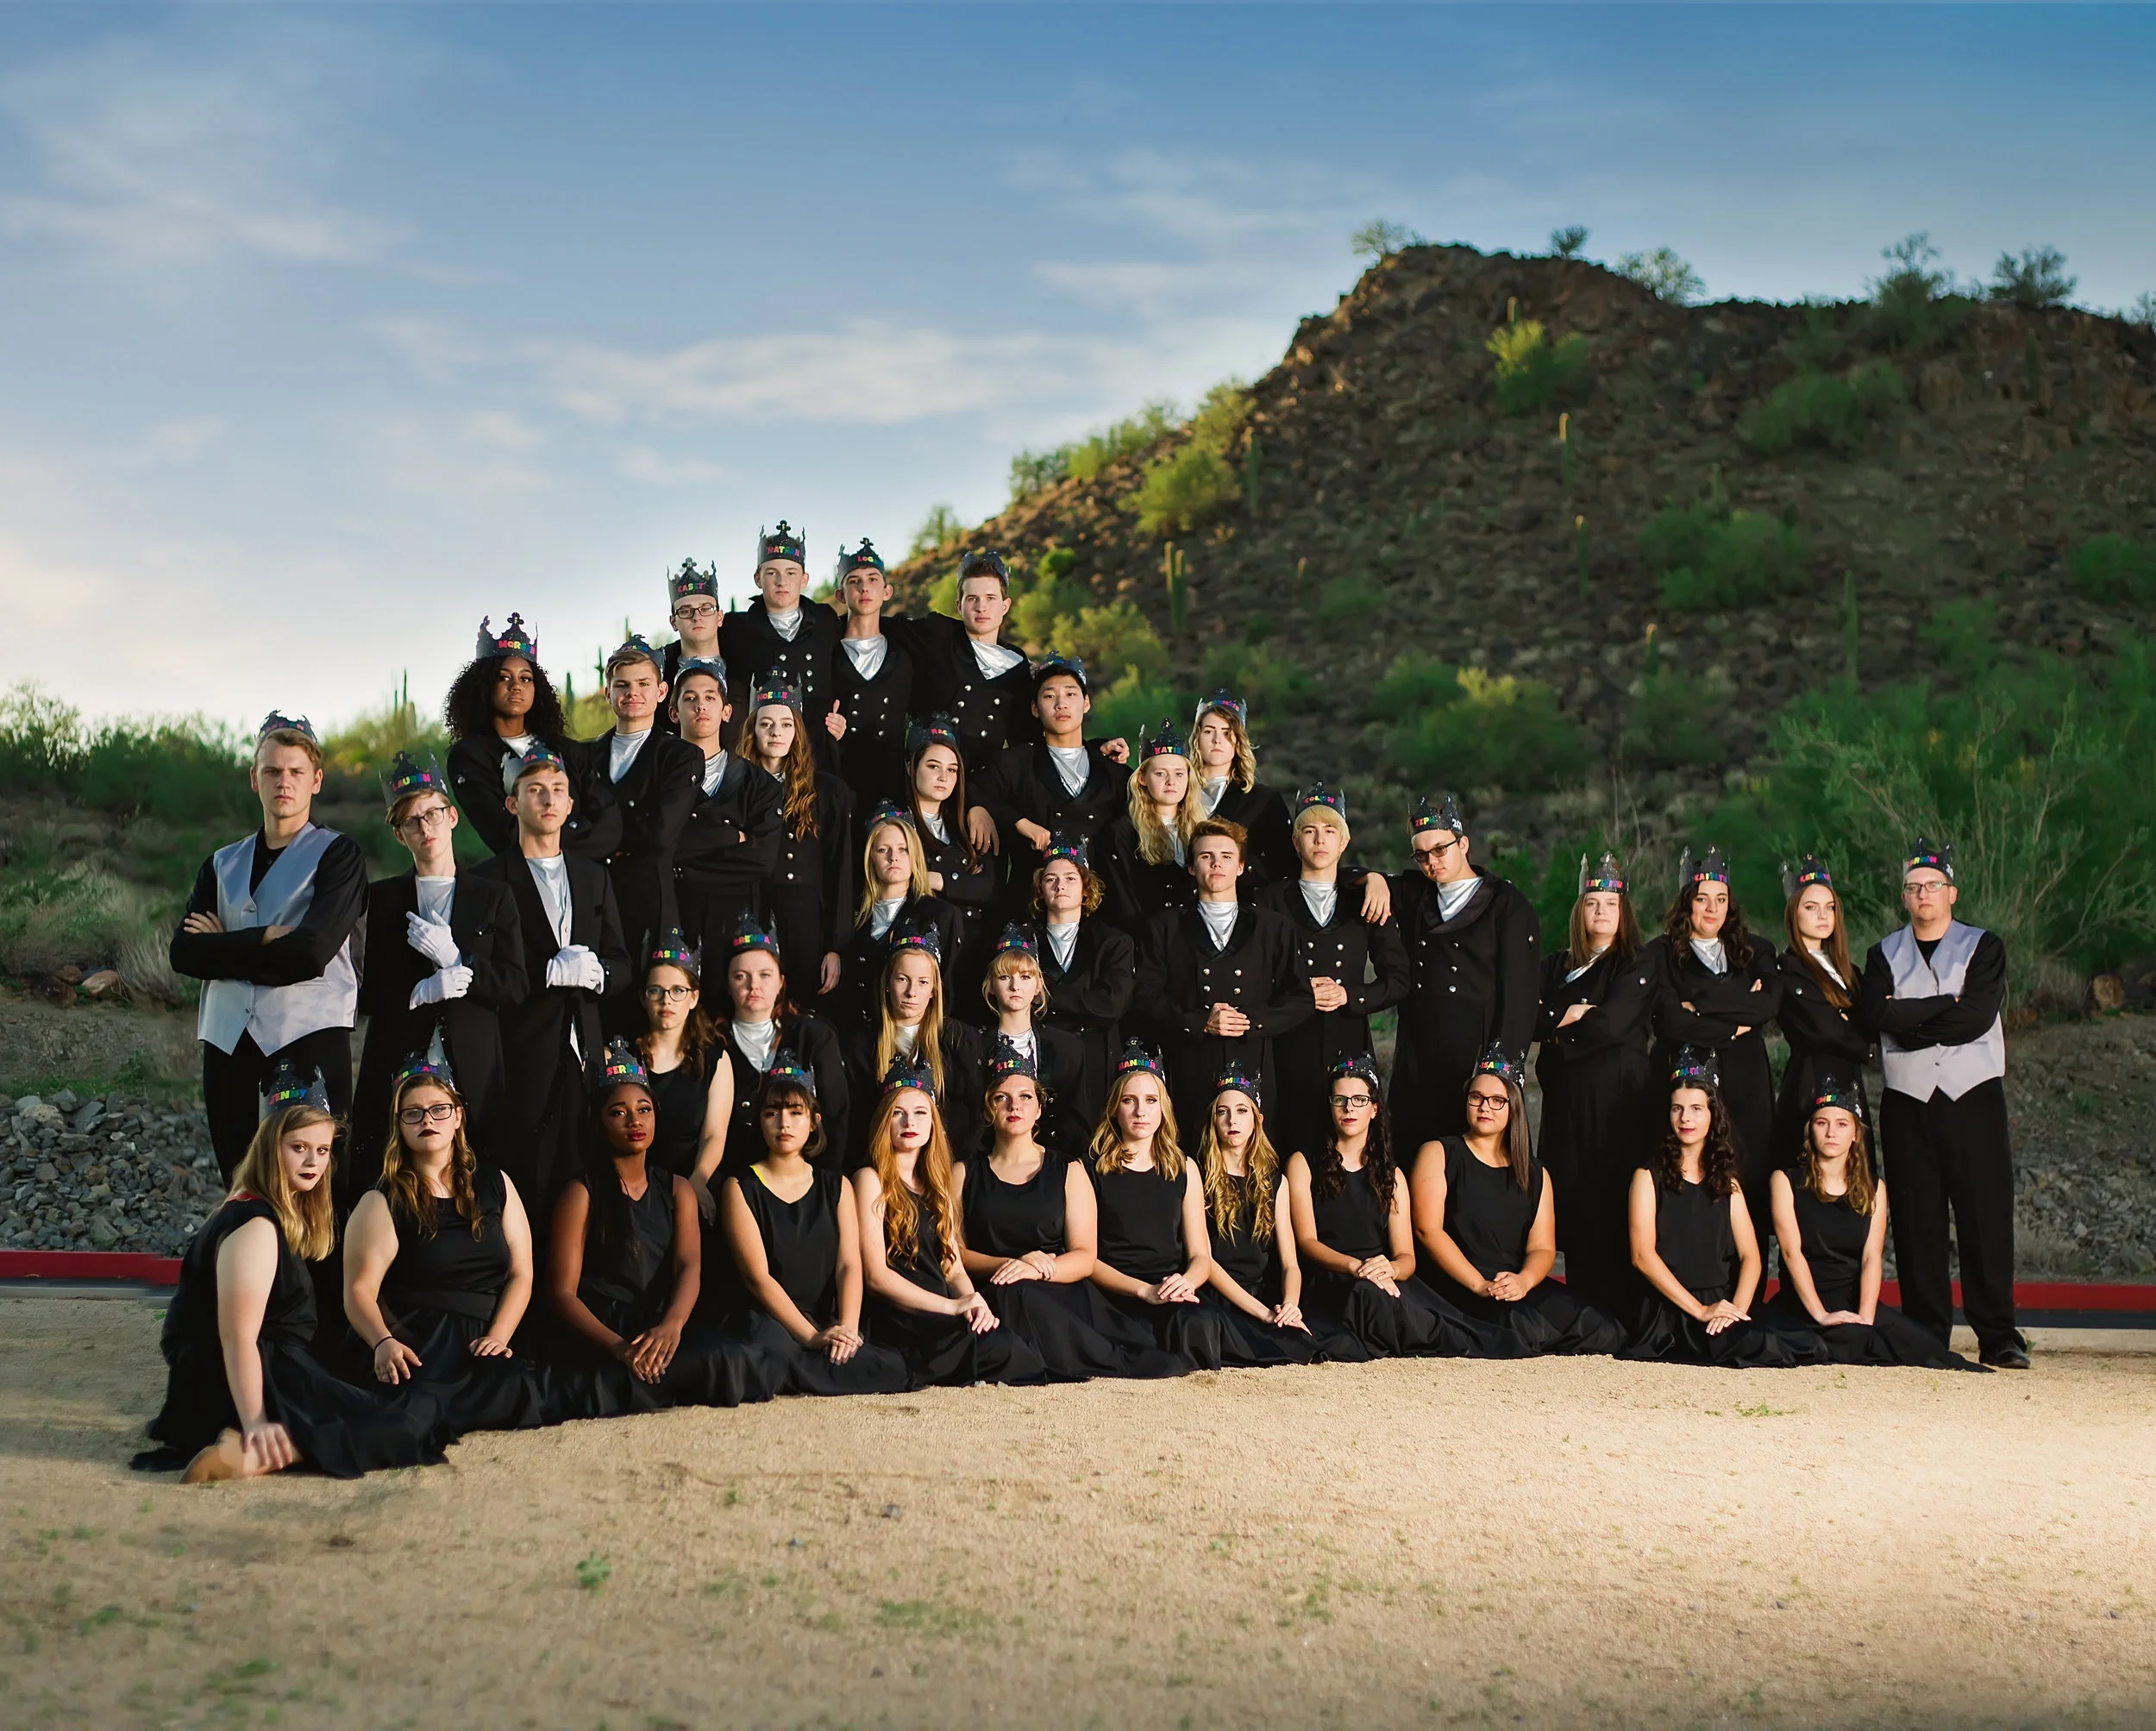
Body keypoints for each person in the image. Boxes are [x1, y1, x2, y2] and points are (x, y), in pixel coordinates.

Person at [133, 1065, 450, 1482]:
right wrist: (257, 1422)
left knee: (394, 1400)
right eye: (298, 1147)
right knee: (408, 1422)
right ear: (270, 1148)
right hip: (247, 1379)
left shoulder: (254, 1210)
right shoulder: (256, 1228)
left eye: (322, 1150)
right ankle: (258, 1453)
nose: (313, 1161)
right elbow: (236, 1338)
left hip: (253, 1369)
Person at [170, 713, 367, 1179]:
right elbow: (184, 955)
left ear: (316, 780)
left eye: (296, 772)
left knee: (314, 1197)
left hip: (307, 1041)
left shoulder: (339, 856)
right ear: (253, 779)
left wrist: (222, 950)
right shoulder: (220, 864)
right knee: (239, 1185)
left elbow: (310, 954)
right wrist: (262, 937)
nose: (284, 782)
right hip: (228, 1049)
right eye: (273, 771)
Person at [1859, 837, 2028, 1369]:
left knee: (1985, 1215)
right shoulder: (1882, 954)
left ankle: (1997, 1333)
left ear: (1951, 892)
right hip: (1908, 1102)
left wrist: (1909, 1018)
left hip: (1973, 1096)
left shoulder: (1984, 946)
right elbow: (1876, 1019)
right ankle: (1927, 1331)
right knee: (1918, 1218)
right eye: (1913, 889)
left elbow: (1976, 1017)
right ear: (1905, 898)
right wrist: (1938, 1010)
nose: (1923, 895)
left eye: (1932, 886)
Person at [546, 1040, 782, 1408]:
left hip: (658, 1322)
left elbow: (689, 1266)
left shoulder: (677, 1188)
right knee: (599, 1384)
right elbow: (563, 1293)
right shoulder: (581, 1193)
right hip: (604, 1328)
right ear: (599, 1122)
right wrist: (620, 1349)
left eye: (643, 1109)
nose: (635, 1121)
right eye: (618, 1113)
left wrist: (672, 1326)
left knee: (731, 1361)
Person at [342, 1056, 571, 1430]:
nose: (427, 1120)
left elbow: (522, 1273)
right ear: (398, 1126)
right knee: (412, 1410)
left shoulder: (496, 1183)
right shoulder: (383, 1199)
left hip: (484, 1336)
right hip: (418, 1340)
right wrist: (383, 1342)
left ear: (458, 1116)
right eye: (412, 1114)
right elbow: (359, 1289)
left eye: (438, 1109)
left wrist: (498, 1337)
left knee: (522, 1391)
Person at [955, 1041, 1189, 1380]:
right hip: (998, 1286)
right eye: (1001, 1098)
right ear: (989, 1109)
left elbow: (1084, 1255)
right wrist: (1014, 1266)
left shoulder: (1069, 1170)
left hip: (1058, 1284)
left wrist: (1039, 1269)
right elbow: (955, 1252)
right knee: (1013, 1292)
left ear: (1039, 1109)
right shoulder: (963, 1173)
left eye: (1025, 1097)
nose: (1014, 1106)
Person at [467, 743, 630, 1217]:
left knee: (590, 1187)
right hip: (521, 1055)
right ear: (512, 803)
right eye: (535, 790)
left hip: (588, 1060)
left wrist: (599, 973)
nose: (548, 799)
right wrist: (542, 975)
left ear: (571, 804)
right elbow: (480, 974)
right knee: (527, 1187)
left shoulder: (593, 876)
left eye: (558, 790)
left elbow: (621, 962)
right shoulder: (488, 880)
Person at [352, 751, 525, 1194]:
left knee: (479, 1182)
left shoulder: (493, 897)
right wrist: (422, 991)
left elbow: (515, 984)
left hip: (474, 1067)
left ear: (452, 817)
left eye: (432, 814)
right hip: (397, 1063)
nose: (424, 827)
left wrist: (459, 963)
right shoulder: (382, 899)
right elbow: (367, 994)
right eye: (412, 821)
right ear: (399, 834)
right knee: (390, 1182)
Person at [1408, 1048, 1627, 1357]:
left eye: (1497, 1100)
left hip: (1513, 1281)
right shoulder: (1439, 1152)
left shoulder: (1535, 1172)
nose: (1485, 1107)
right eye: (1477, 1097)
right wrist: (1478, 1285)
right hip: (1459, 1281)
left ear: (1514, 1107)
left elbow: (1542, 1248)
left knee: (1602, 1328)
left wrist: (1524, 1282)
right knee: (1516, 1329)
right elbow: (1427, 1231)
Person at [1620, 1051, 1827, 1369]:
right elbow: (1642, 1256)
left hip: (1723, 1302)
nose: (1685, 1118)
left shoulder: (1726, 1183)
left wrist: (1736, 1312)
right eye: (1677, 1108)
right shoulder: (1647, 1178)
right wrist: (1701, 1311)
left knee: (1803, 1342)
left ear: (1713, 1115)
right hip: (1672, 1305)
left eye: (1696, 1109)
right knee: (1762, 1348)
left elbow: (1752, 1257)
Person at [718, 1057, 910, 1395]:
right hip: (772, 1318)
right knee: (767, 1357)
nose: (783, 1124)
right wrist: (810, 1336)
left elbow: (849, 1265)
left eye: (795, 1113)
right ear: (759, 1121)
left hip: (826, 1315)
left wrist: (847, 1329)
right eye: (771, 1113)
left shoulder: (836, 1186)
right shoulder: (740, 1187)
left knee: (890, 1367)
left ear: (813, 1121)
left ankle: (823, 1361)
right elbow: (757, 1278)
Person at [851, 1056, 1046, 1388]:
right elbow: (876, 1277)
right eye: (897, 1113)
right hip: (900, 1313)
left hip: (943, 1309)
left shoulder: (938, 1185)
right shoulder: (870, 1179)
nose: (908, 1122)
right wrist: (953, 1307)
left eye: (919, 1113)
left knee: (1015, 1351)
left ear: (932, 1124)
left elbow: (953, 1268)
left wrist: (975, 1303)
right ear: (885, 1122)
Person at [1762, 1078, 1977, 1370]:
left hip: (1853, 1299)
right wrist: (1821, 1314)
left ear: (1855, 1135)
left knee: (1927, 1348)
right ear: (1810, 1130)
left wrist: (1865, 1318)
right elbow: (1791, 1253)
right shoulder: (1785, 1181)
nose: (1831, 1132)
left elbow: (1871, 1258)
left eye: (1841, 1124)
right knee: (1791, 1344)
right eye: (1822, 1123)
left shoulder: (1874, 1188)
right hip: (1803, 1300)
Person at [1532, 851, 1658, 1311]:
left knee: (1614, 1199)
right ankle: (1581, 1308)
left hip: (1618, 1103)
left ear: (1623, 911)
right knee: (1574, 1197)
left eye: (1610, 903)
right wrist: (1565, 1014)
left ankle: (1622, 1309)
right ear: (1579, 909)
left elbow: (1613, 1025)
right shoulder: (1554, 966)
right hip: (1566, 1105)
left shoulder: (1636, 963)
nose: (1601, 911)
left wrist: (1556, 1037)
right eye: (1592, 902)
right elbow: (1525, 1017)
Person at [1384, 792, 1542, 1154]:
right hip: (1417, 1062)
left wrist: (1500, 1074)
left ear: (1463, 843)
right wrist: (1374, 881)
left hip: (1475, 1059)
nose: (1431, 862)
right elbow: (1344, 880)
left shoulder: (1508, 905)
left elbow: (1519, 997)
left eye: (1440, 849)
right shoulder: (1413, 894)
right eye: (1421, 855)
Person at [1256, 785, 1407, 1163]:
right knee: (1290, 1142)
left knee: (1353, 1148)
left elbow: (1398, 979)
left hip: (1348, 1037)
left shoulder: (1368, 899)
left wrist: (1351, 996)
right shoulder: (1269, 900)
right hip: (1287, 1041)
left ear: (1345, 840)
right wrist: (1296, 991)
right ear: (1295, 841)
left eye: (1329, 831)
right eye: (1309, 831)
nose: (1319, 839)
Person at [1135, 817, 1312, 1139]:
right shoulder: (1164, 927)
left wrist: (1251, 1022)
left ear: (1241, 866)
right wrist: (1199, 1021)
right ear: (1191, 867)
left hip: (1254, 1060)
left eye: (1226, 856)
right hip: (1190, 1061)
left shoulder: (1274, 927)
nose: (1216, 864)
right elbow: (1145, 995)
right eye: (1206, 856)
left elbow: (1300, 998)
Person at [1651, 847, 1783, 1259]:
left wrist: (1701, 1004)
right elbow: (1671, 1022)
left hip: (1747, 1085)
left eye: (1721, 899)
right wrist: (1738, 1018)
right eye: (1702, 898)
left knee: (1749, 1175)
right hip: (1686, 1085)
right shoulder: (1660, 953)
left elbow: (1770, 1005)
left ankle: (1748, 1292)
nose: (1712, 908)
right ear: (1686, 900)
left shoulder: (1757, 950)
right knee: (1690, 1177)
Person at [1286, 1056, 1463, 1358]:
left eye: (1359, 1099)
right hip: (1332, 1279)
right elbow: (1307, 1243)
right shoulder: (1302, 1164)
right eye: (1340, 1099)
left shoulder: (1391, 1174)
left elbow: (1407, 1256)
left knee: (1451, 1331)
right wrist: (1355, 1267)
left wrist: (1390, 1269)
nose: (1349, 1108)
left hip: (1381, 1277)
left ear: (1374, 1109)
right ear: (1330, 1106)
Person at [1085, 1043, 1225, 1367]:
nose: (1140, 1111)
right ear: (1114, 1109)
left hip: (1169, 1289)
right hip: (1113, 1292)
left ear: (1163, 1108)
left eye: (1151, 1101)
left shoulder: (1184, 1167)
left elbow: (1201, 1256)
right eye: (1129, 1101)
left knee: (1201, 1325)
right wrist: (1143, 1291)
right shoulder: (1089, 1169)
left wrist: (1186, 1282)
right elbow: (1086, 1258)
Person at [576, 633, 704, 990]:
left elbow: (662, 831)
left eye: (643, 684)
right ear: (608, 693)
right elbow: (567, 828)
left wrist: (597, 835)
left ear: (661, 693)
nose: (632, 692)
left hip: (648, 899)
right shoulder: (584, 757)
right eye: (622, 685)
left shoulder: (680, 756)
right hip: (591, 900)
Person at [443, 613, 620, 861]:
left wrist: (554, 843)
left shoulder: (568, 750)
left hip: (587, 884)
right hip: (522, 886)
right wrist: (581, 839)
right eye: (503, 677)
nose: (516, 686)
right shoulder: (470, 756)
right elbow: (504, 835)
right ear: (483, 686)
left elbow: (610, 826)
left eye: (525, 678)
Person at [741, 680, 855, 1013]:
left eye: (786, 724)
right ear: (753, 730)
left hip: (808, 921)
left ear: (798, 732)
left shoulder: (827, 792)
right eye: (766, 724)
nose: (776, 732)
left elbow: (840, 871)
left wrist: (836, 948)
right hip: (750, 914)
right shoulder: (733, 787)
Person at [1196, 1072, 1322, 1365]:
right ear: (1212, 1120)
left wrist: (1290, 1304)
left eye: (1242, 1111)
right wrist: (1263, 1313)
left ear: (1257, 1120)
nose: (1232, 1121)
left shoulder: (1276, 1182)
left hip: (1261, 1293)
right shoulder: (1197, 1177)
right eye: (1222, 1112)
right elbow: (1206, 1262)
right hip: (1216, 1295)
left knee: (1303, 1344)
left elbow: (1291, 1263)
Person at [711, 914, 850, 1175]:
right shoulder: (712, 1043)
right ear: (728, 985)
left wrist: (825, 1187)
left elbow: (837, 1119)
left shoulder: (815, 1036)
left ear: (780, 982)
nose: (754, 986)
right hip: (735, 1182)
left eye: (765, 975)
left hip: (809, 1180)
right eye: (741, 976)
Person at [971, 653, 1132, 875]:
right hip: (1033, 897)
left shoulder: (1111, 768)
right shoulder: (1015, 763)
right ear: (1035, 708)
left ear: (1086, 703)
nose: (1061, 704)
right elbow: (969, 790)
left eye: (1070, 693)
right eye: (1049, 696)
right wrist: (1016, 821)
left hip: (1102, 898)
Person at [840, 923, 987, 1166]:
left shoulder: (959, 1039)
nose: (911, 992)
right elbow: (855, 1122)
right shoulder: (860, 1044)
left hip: (950, 1165)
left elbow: (975, 1117)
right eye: (902, 979)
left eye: (922, 982)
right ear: (887, 984)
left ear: (933, 991)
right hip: (882, 1167)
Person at [887, 548, 1039, 773]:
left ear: (1005, 606)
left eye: (990, 598)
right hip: (916, 780)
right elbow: (874, 629)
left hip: (977, 792)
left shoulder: (1018, 668)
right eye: (972, 599)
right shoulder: (937, 634)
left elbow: (1027, 745)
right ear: (959, 605)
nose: (981, 607)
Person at [669, 655, 783, 953]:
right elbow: (652, 845)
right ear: (673, 712)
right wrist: (733, 836)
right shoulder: (656, 780)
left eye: (710, 697)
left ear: (727, 711)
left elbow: (761, 860)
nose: (700, 706)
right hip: (673, 920)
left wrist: (680, 862)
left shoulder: (760, 785)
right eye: (690, 698)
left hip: (737, 925)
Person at [1027, 835, 1136, 1136]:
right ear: (1040, 888)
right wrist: (1085, 1003)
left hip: (1095, 1066)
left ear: (1086, 886)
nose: (1060, 885)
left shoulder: (1114, 942)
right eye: (1051, 879)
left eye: (1070, 878)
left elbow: (1111, 1005)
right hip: (1039, 1061)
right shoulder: (1022, 940)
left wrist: (1045, 997)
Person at [718, 523, 848, 767]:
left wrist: (843, 716)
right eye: (771, 573)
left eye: (791, 573)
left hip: (818, 752)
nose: (781, 581)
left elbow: (845, 668)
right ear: (758, 578)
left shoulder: (826, 621)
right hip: (761, 756)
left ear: (804, 579)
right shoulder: (736, 628)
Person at [1774, 856, 1871, 1168]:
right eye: (1811, 907)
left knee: (1854, 1171)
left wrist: (1851, 1027)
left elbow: (1869, 1022)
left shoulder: (1849, 970)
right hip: (1810, 1079)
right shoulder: (1786, 968)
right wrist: (1860, 1044)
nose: (1822, 916)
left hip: (1849, 1078)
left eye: (1829, 907)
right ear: (1794, 912)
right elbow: (1822, 1029)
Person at [634, 931, 732, 1215]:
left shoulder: (716, 1059)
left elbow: (714, 1134)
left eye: (678, 991)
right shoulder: (621, 1056)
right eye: (656, 991)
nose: (667, 1000)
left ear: (693, 998)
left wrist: (696, 1184)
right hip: (632, 1187)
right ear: (644, 998)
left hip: (691, 1182)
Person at [903, 715, 999, 997]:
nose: (944, 777)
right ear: (911, 766)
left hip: (975, 951)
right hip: (923, 957)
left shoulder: (969, 824)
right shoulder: (897, 822)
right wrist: (964, 883)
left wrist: (939, 880)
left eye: (952, 769)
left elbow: (990, 887)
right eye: (933, 766)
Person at [839, 806, 958, 1027]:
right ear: (870, 857)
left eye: (903, 849)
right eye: (883, 850)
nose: (894, 857)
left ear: (915, 856)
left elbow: (946, 993)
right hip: (857, 1039)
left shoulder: (941, 914)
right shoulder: (851, 916)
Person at [976, 925, 1088, 1151]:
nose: (1015, 986)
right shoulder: (972, 1046)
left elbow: (1077, 1123)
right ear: (990, 987)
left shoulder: (1068, 1048)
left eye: (1025, 977)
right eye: (1005, 976)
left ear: (1038, 986)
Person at [828, 539, 918, 812]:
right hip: (838, 784)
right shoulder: (824, 652)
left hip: (892, 786)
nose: (864, 587)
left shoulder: (907, 652)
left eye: (872, 579)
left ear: (886, 591)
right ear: (841, 594)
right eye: (853, 580)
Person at [1096, 719, 1200, 937]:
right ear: (1142, 778)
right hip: (1146, 942)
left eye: (1179, 773)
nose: (1171, 781)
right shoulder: (1122, 833)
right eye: (1160, 773)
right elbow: (1122, 903)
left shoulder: (1204, 830)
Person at [1189, 690, 1293, 888]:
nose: (1217, 739)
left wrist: (1237, 865)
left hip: (1238, 905)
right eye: (1209, 731)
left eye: (1227, 732)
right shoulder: (1176, 791)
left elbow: (1284, 865)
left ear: (1239, 740)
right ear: (1197, 737)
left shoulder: (1263, 800)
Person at [656, 558, 725, 736]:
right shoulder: (658, 674)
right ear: (673, 622)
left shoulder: (745, 665)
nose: (697, 617)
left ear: (719, 617)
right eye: (686, 611)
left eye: (706, 608)